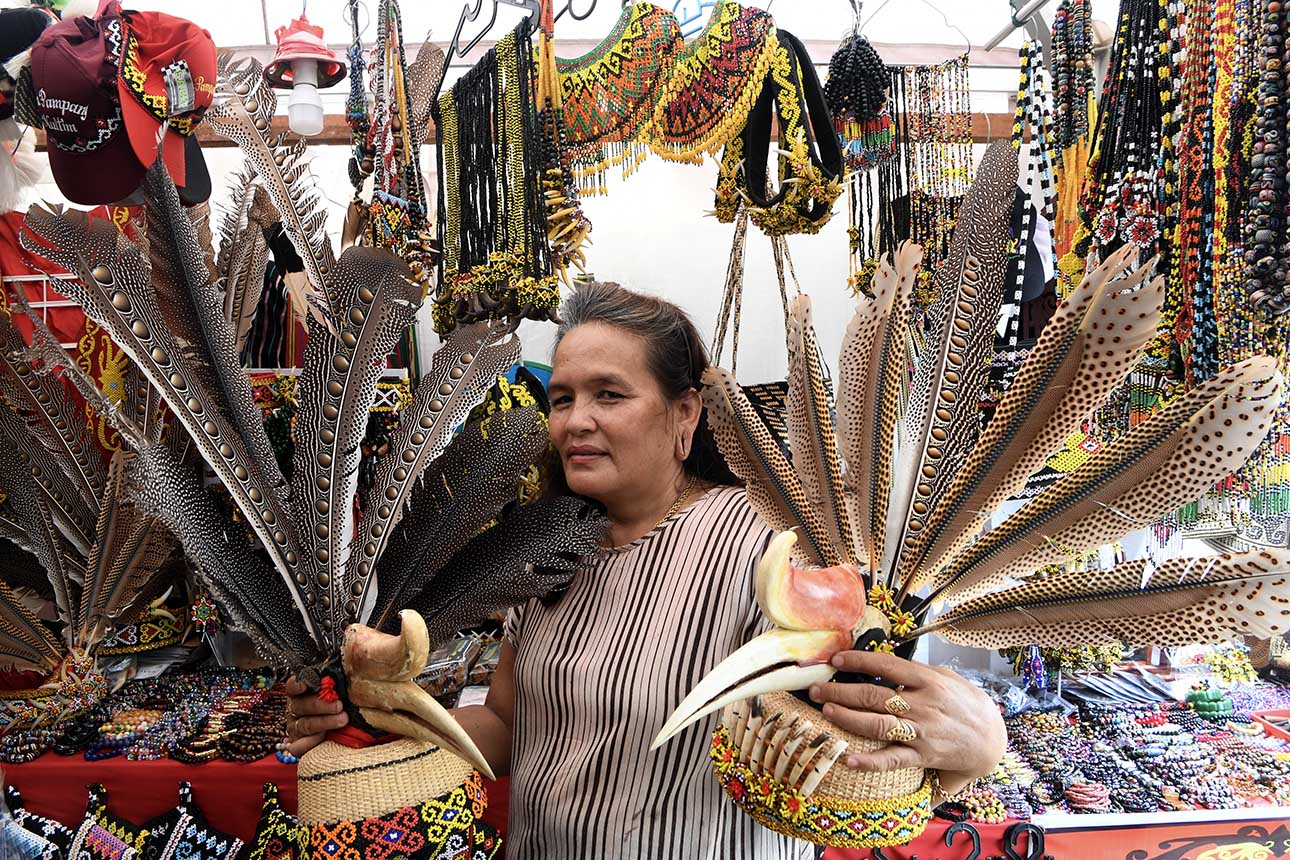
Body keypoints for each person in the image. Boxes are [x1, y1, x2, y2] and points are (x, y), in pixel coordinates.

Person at [286, 282, 1006, 859]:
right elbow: (509, 721)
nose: (574, 421)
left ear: (684, 413)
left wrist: (975, 739)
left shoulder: (762, 539)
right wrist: (383, 720)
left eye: (609, 394)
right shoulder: (546, 542)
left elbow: (867, 703)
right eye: (562, 398)